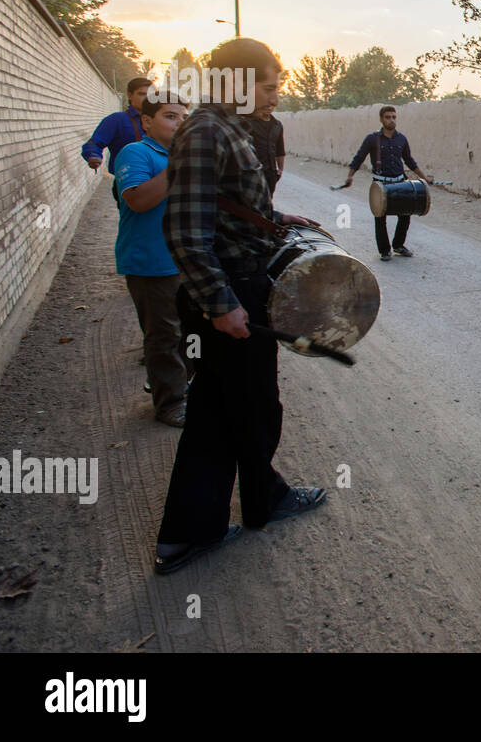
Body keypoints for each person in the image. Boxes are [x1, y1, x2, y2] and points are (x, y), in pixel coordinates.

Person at [154, 38, 327, 575]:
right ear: (237, 81)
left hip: (244, 286)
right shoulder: (206, 131)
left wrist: (275, 218)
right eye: (270, 85)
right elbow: (184, 231)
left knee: (242, 406)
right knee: (227, 412)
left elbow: (232, 204)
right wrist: (221, 304)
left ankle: (254, 501)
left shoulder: (230, 129)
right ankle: (192, 531)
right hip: (229, 295)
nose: (277, 95)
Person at [114, 94, 190, 427]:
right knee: (163, 336)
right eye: (171, 117)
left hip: (185, 261)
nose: (180, 124)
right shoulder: (136, 153)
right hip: (150, 263)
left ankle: (171, 384)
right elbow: (139, 200)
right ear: (147, 122)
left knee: (190, 332)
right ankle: (170, 403)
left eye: (185, 118)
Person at [344, 106, 431, 261]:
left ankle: (398, 245)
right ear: (381, 119)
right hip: (380, 183)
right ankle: (385, 250)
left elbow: (409, 161)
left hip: (400, 182)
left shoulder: (401, 139)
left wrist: (424, 179)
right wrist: (350, 176)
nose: (391, 120)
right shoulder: (372, 139)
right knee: (380, 217)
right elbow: (359, 158)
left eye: (393, 117)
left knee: (405, 215)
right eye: (387, 117)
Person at [82, 77, 151, 206]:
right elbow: (94, 143)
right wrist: (93, 156)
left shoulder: (159, 120)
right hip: (128, 182)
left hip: (156, 180)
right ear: (129, 95)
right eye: (142, 94)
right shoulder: (117, 120)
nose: (146, 98)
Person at [245, 93, 286, 194]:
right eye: (266, 105)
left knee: (268, 201)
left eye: (271, 106)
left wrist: (280, 169)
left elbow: (280, 150)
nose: (269, 108)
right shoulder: (248, 123)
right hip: (254, 171)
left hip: (271, 173)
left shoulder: (277, 125)